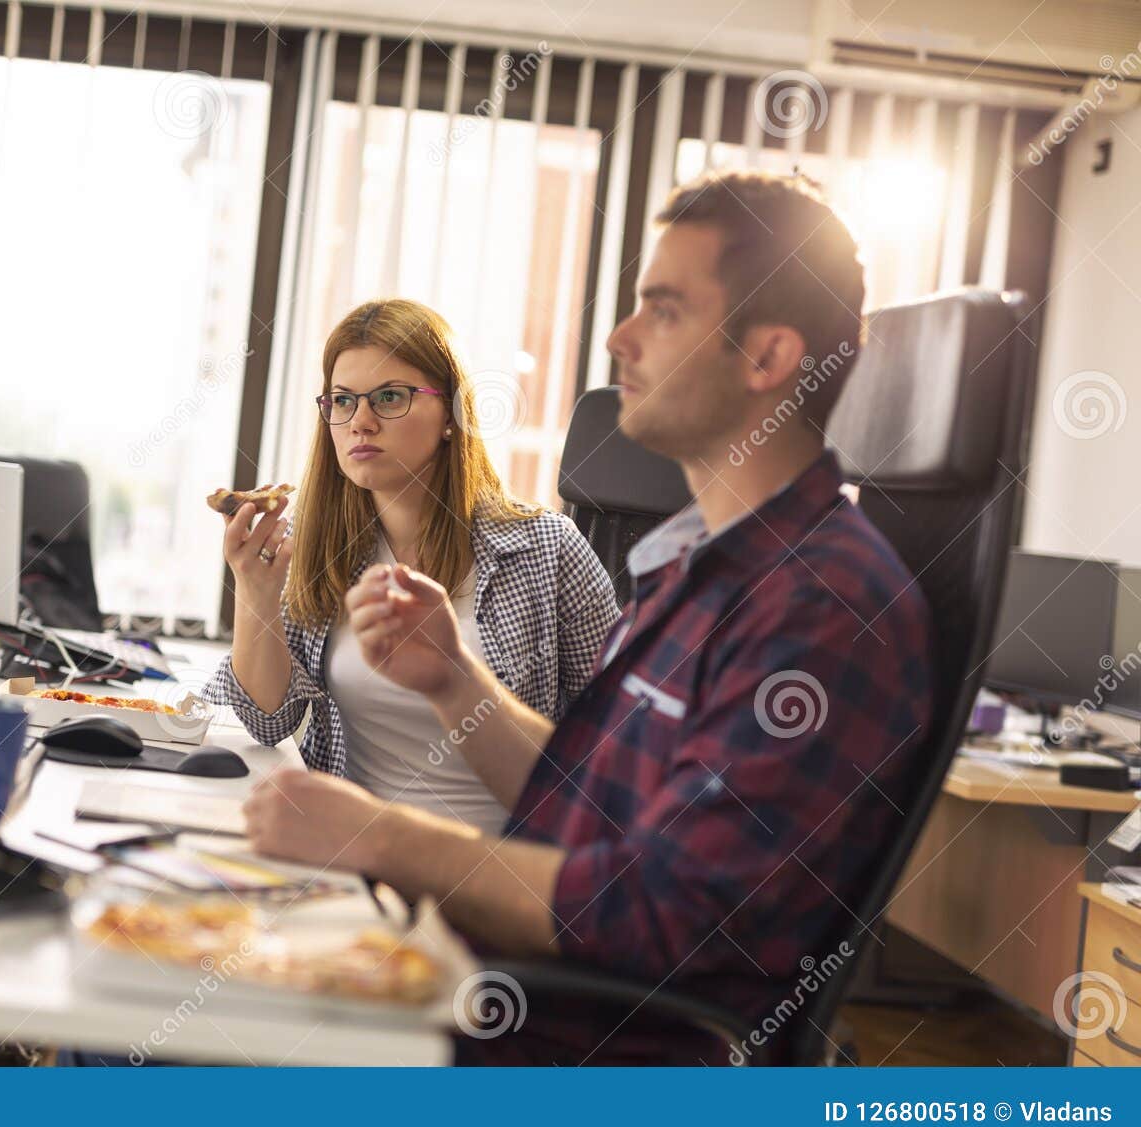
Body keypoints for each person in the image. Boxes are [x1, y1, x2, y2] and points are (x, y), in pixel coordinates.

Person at [241, 172, 935, 1063]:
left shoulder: (823, 603)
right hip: (493, 987)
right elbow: (589, 802)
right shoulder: (696, 570)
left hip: (572, 1048)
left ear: (766, 358)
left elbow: (665, 916)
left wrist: (380, 836)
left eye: (665, 309)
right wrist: (456, 681)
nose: (621, 338)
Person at [204, 299, 617, 835]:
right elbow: (265, 721)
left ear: (451, 413)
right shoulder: (319, 543)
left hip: (507, 878)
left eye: (390, 397)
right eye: (342, 401)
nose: (361, 422)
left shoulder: (546, 549)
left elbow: (617, 764)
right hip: (356, 867)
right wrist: (256, 594)